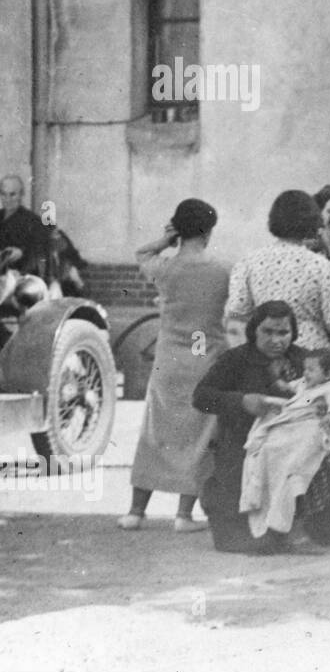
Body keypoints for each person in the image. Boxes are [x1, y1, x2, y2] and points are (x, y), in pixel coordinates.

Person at [194, 301, 330, 553]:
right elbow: (201, 397)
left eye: (283, 333)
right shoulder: (235, 360)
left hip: (303, 441)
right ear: (253, 331)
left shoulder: (305, 359)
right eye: (267, 332)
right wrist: (241, 401)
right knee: (241, 531)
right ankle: (279, 530)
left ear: (293, 333)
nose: (276, 340)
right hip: (246, 445)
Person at [118, 199, 228, 534]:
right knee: (199, 435)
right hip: (204, 357)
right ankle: (183, 515)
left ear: (177, 230)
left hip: (170, 359)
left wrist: (166, 241)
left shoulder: (165, 268)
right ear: (209, 232)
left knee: (155, 433)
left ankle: (136, 511)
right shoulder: (223, 269)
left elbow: (141, 255)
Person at [240, 348, 330, 542]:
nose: (306, 373)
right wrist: (276, 377)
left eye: (311, 370)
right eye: (305, 369)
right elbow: (287, 388)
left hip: (314, 425)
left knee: (294, 461)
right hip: (293, 423)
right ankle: (266, 509)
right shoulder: (304, 385)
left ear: (328, 374)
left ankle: (288, 520)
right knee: (269, 448)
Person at [225, 190, 330, 350]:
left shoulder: (248, 262)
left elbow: (237, 312)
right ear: (312, 221)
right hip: (311, 356)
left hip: (265, 352)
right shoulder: (322, 266)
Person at [0, 173, 86, 293]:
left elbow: (44, 244)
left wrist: (22, 252)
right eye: (3, 194)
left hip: (21, 276)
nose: (7, 199)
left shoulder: (31, 220)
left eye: (12, 194)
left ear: (21, 195)